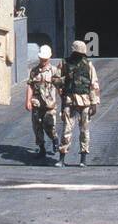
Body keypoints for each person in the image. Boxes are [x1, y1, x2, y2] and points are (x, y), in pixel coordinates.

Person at [57, 39, 100, 167]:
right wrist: (65, 79)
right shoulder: (64, 63)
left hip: (85, 101)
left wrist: (94, 103)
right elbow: (56, 80)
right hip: (70, 101)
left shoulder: (88, 65)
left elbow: (94, 85)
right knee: (66, 130)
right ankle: (62, 157)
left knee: (84, 131)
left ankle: (83, 158)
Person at [25, 45, 59, 161]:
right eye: (41, 59)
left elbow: (59, 86)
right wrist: (28, 101)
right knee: (37, 127)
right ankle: (42, 149)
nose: (43, 61)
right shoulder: (34, 71)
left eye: (45, 59)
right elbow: (30, 86)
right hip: (37, 104)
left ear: (49, 58)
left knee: (49, 125)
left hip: (50, 105)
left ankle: (55, 139)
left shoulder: (54, 71)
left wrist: (65, 102)